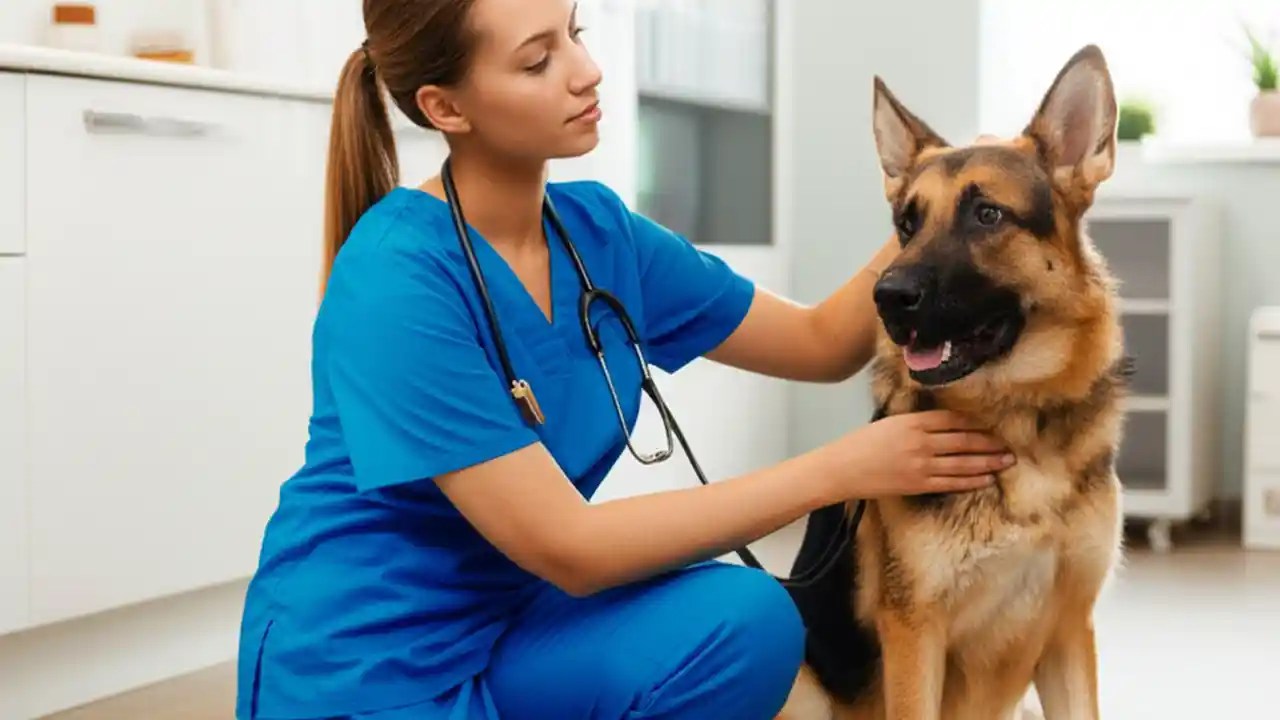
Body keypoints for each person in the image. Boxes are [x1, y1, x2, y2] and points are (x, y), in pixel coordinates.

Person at [234, 1, 1015, 718]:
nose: (586, 70)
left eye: (575, 33)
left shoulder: (596, 235)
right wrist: (843, 468)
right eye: (538, 61)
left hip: (513, 627)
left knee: (748, 621)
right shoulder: (396, 277)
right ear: (446, 108)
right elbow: (570, 549)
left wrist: (941, 202)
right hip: (364, 662)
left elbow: (820, 342)